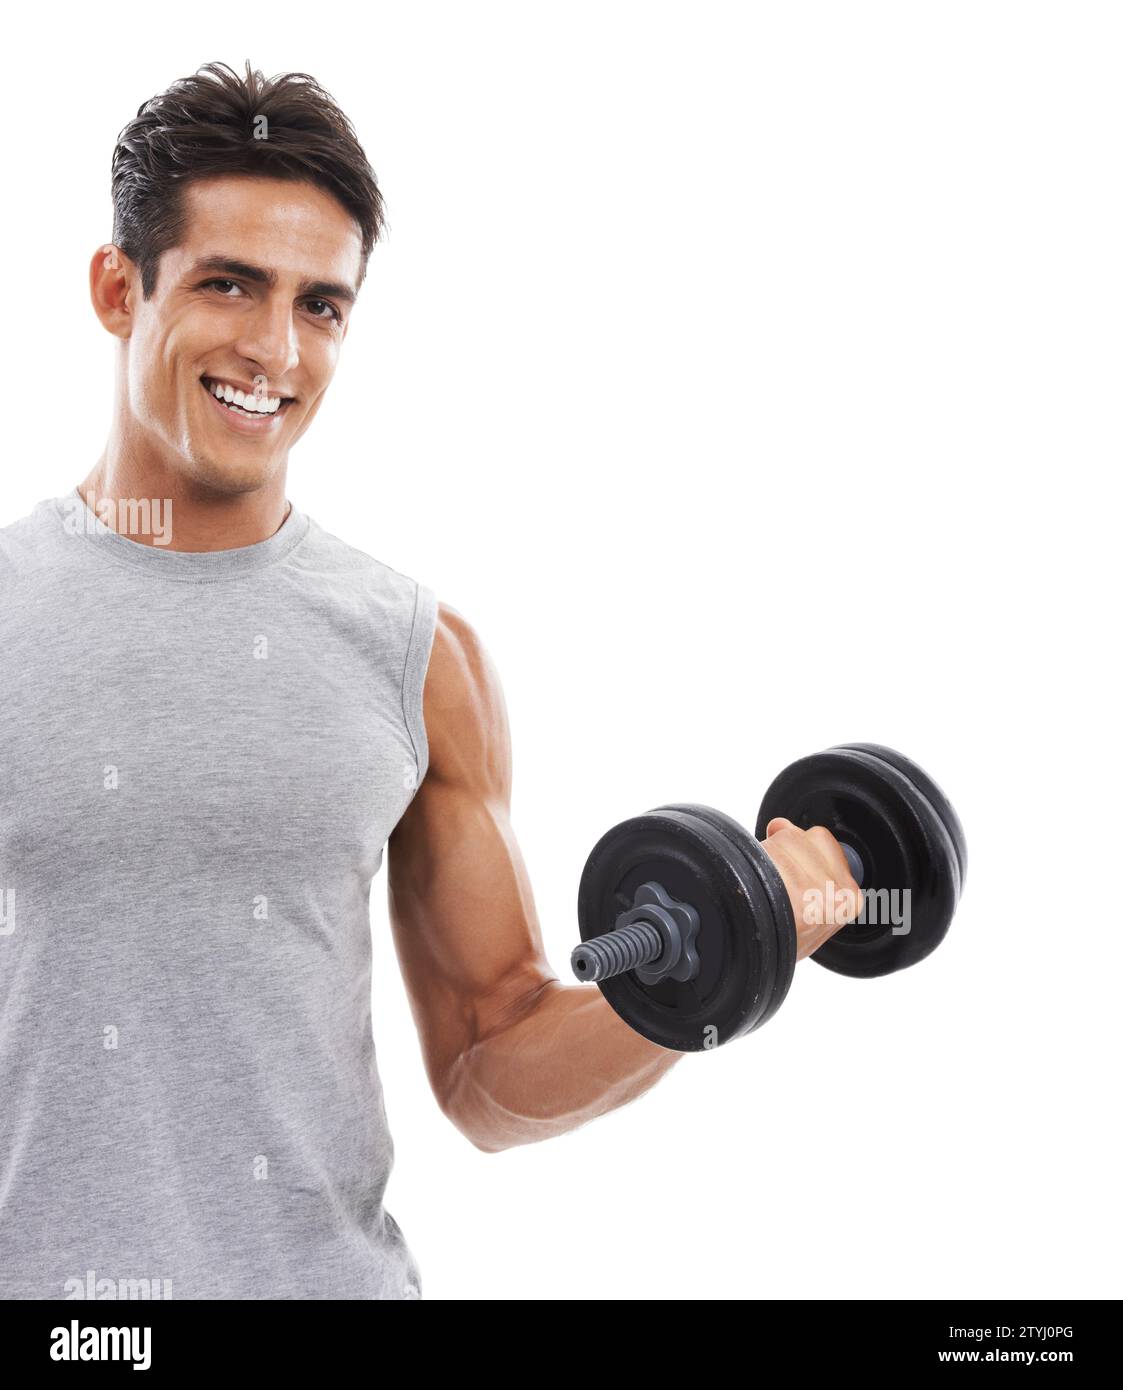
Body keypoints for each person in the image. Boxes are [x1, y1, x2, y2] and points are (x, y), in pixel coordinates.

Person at [0, 61, 860, 1300]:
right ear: (116, 288)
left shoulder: (415, 652)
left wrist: (734, 946)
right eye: (229, 283)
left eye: (322, 306)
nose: (273, 349)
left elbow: (491, 1068)